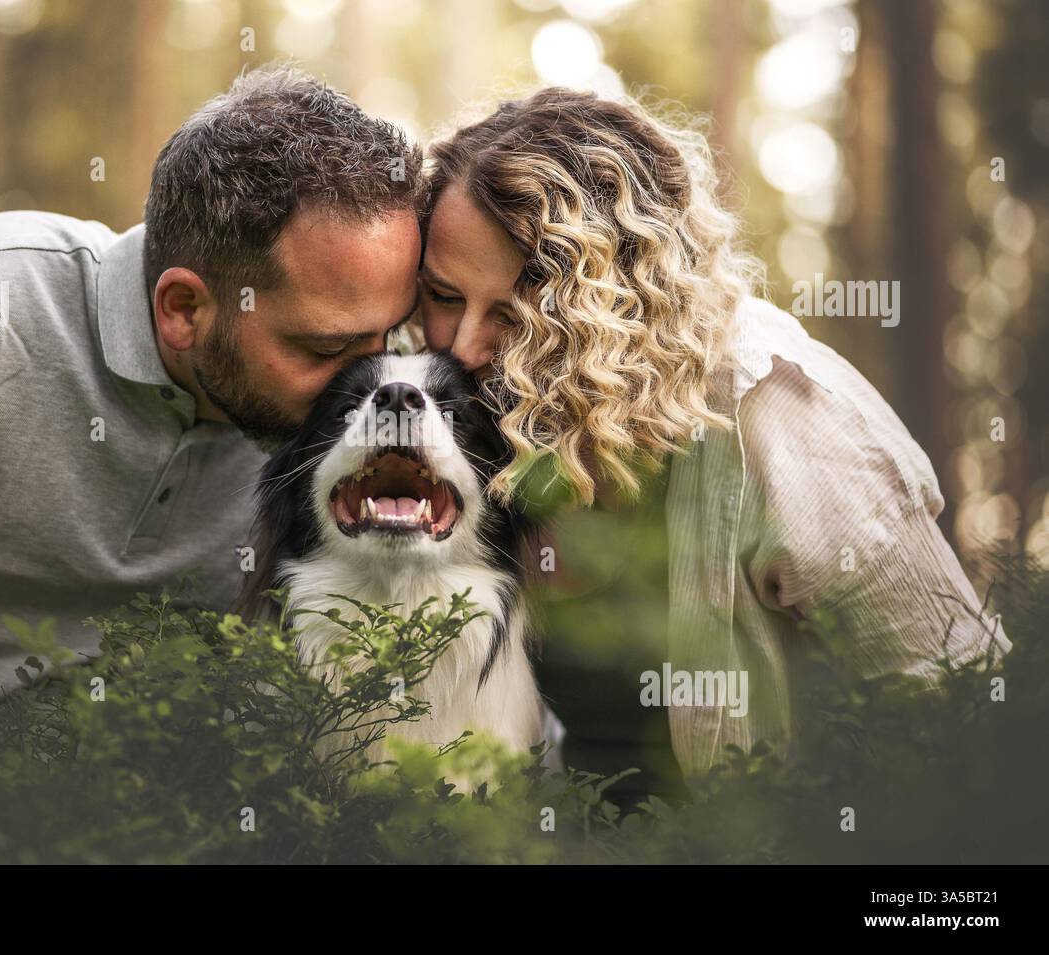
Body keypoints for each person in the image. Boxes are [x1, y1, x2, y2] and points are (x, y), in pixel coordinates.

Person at [0, 65, 424, 812]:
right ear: (183, 309)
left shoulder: (353, 420)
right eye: (325, 351)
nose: (370, 391)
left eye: (387, 337)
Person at [416, 87, 1011, 802]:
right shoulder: (450, 409)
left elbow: (961, 718)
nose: (463, 346)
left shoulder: (783, 412)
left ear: (615, 309)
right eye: (444, 296)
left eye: (516, 315)